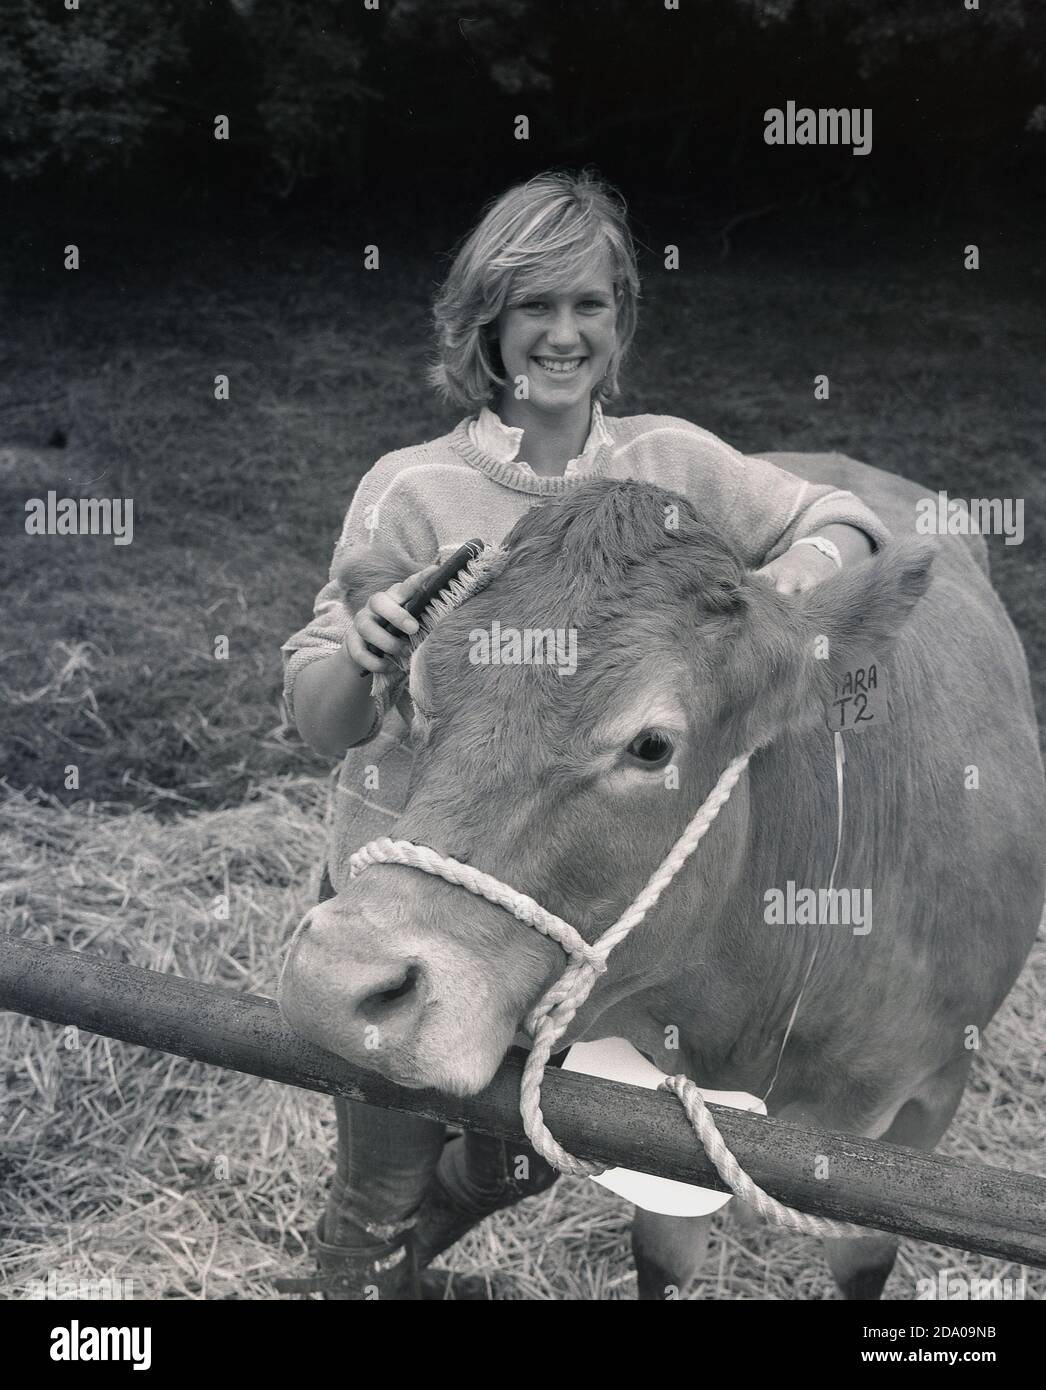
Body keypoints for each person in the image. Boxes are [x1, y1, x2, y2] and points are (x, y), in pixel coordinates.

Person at [279, 170, 891, 1299]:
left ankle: (424, 1249)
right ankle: (366, 1273)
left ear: (619, 320)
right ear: (486, 324)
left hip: (560, 934)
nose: (560, 335)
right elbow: (319, 719)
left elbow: (840, 521)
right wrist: (361, 652)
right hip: (408, 919)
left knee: (518, 1159)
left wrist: (782, 592)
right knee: (374, 1193)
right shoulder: (410, 490)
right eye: (530, 309)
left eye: (587, 306)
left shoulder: (668, 466)